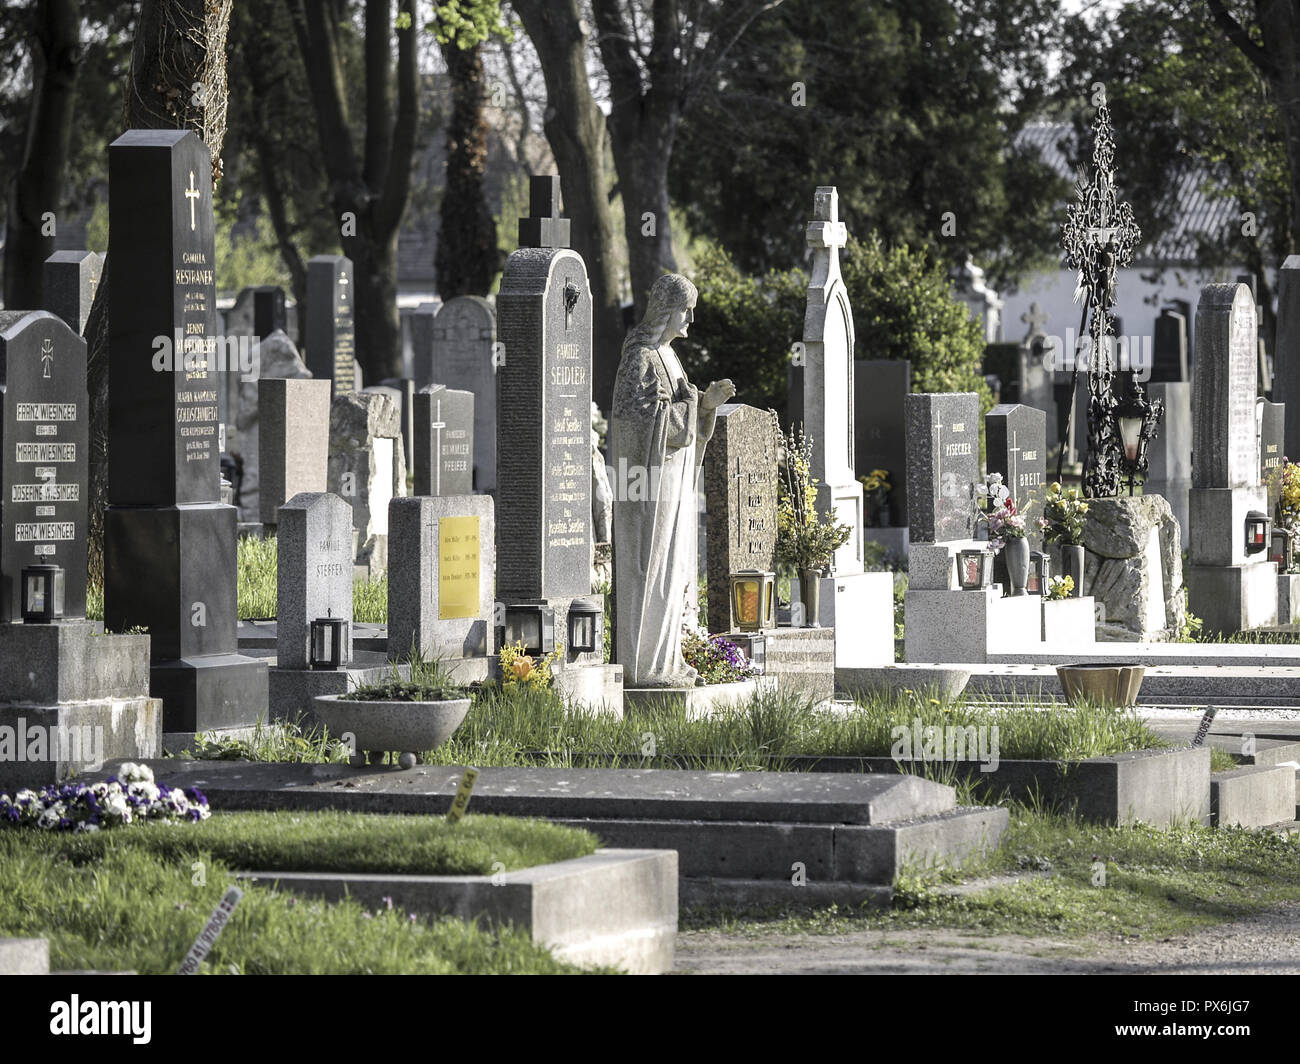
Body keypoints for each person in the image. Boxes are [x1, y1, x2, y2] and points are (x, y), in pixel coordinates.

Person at [609, 273, 735, 686]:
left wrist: (704, 407)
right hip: (648, 483)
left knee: (673, 565)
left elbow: (679, 413)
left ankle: (668, 658)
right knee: (654, 564)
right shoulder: (640, 358)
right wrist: (689, 408)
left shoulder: (669, 356)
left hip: (673, 480)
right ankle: (646, 666)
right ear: (666, 310)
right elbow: (636, 423)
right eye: (685, 309)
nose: (691, 318)